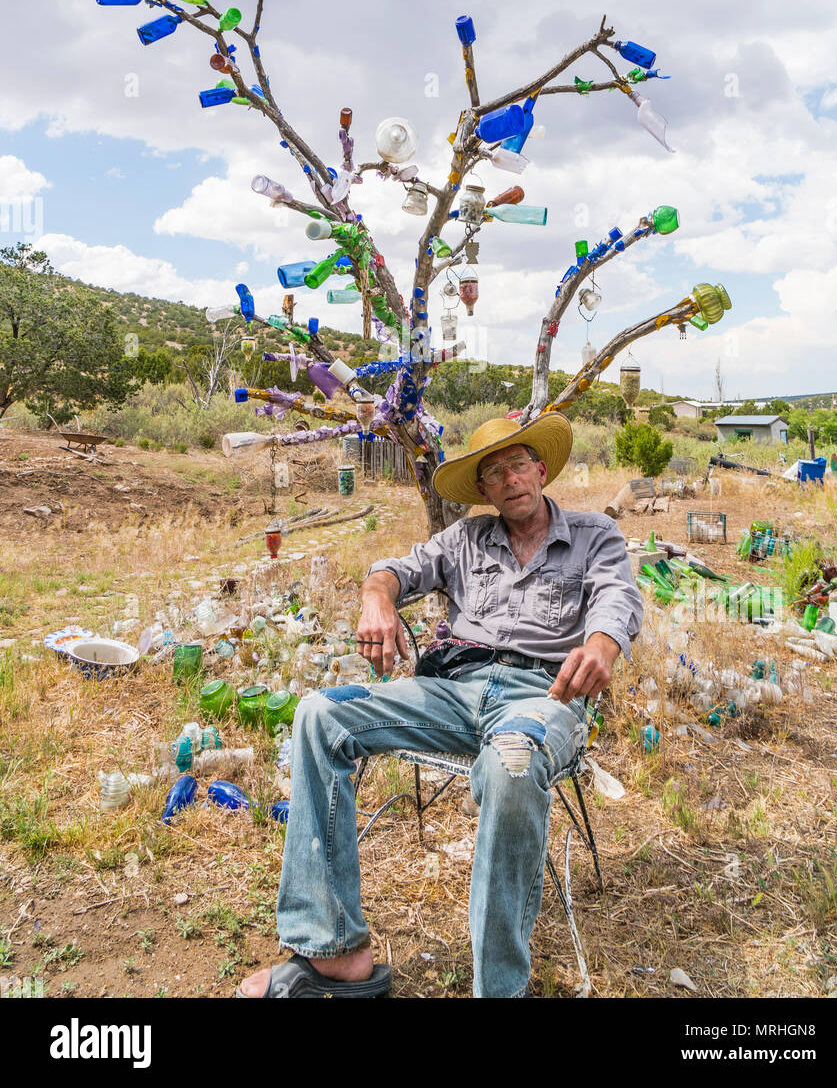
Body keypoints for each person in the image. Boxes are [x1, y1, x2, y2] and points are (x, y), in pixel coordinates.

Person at [238, 413, 642, 999]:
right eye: (494, 472)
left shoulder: (592, 534)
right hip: (453, 690)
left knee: (512, 765)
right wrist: (376, 598)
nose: (509, 480)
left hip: (544, 696)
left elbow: (616, 596)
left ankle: (499, 991)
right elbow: (395, 571)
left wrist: (602, 643)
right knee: (319, 714)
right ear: (483, 490)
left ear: (542, 470)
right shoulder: (467, 538)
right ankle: (335, 954)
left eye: (519, 465)